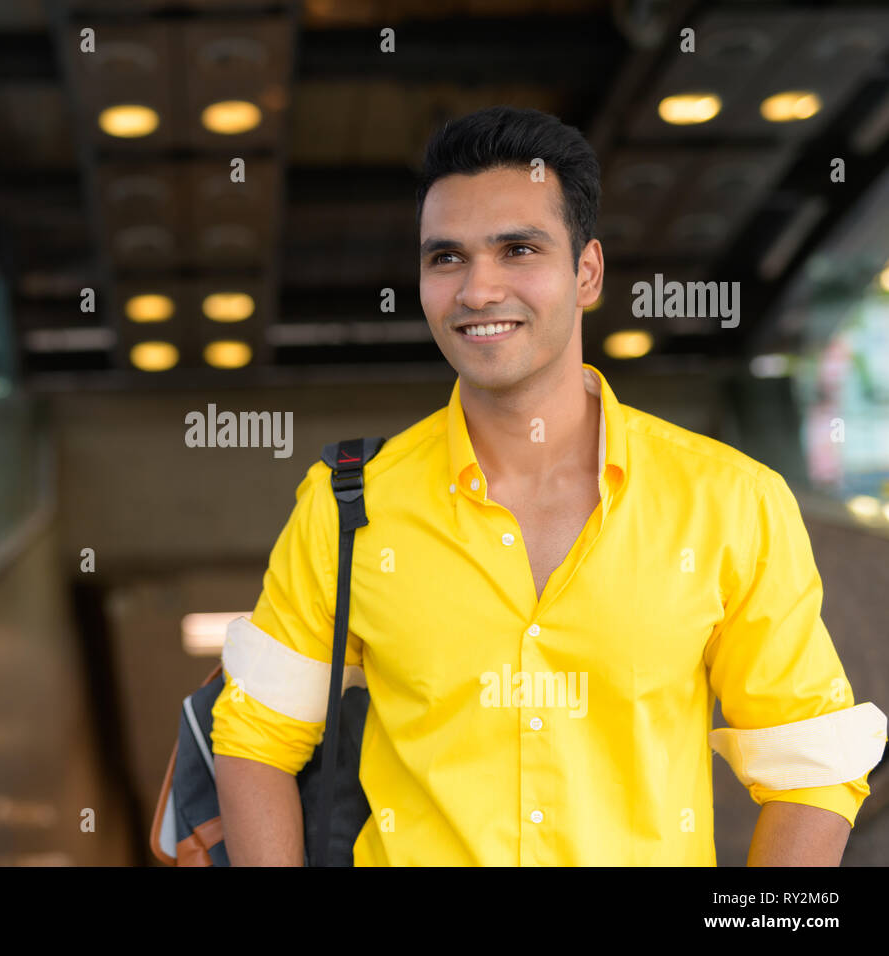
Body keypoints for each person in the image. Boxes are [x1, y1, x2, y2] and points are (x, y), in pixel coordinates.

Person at [210, 106, 887, 866]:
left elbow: (811, 770)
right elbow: (255, 739)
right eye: (447, 259)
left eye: (518, 249)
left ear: (586, 271)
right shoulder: (350, 506)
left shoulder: (730, 503)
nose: (477, 289)